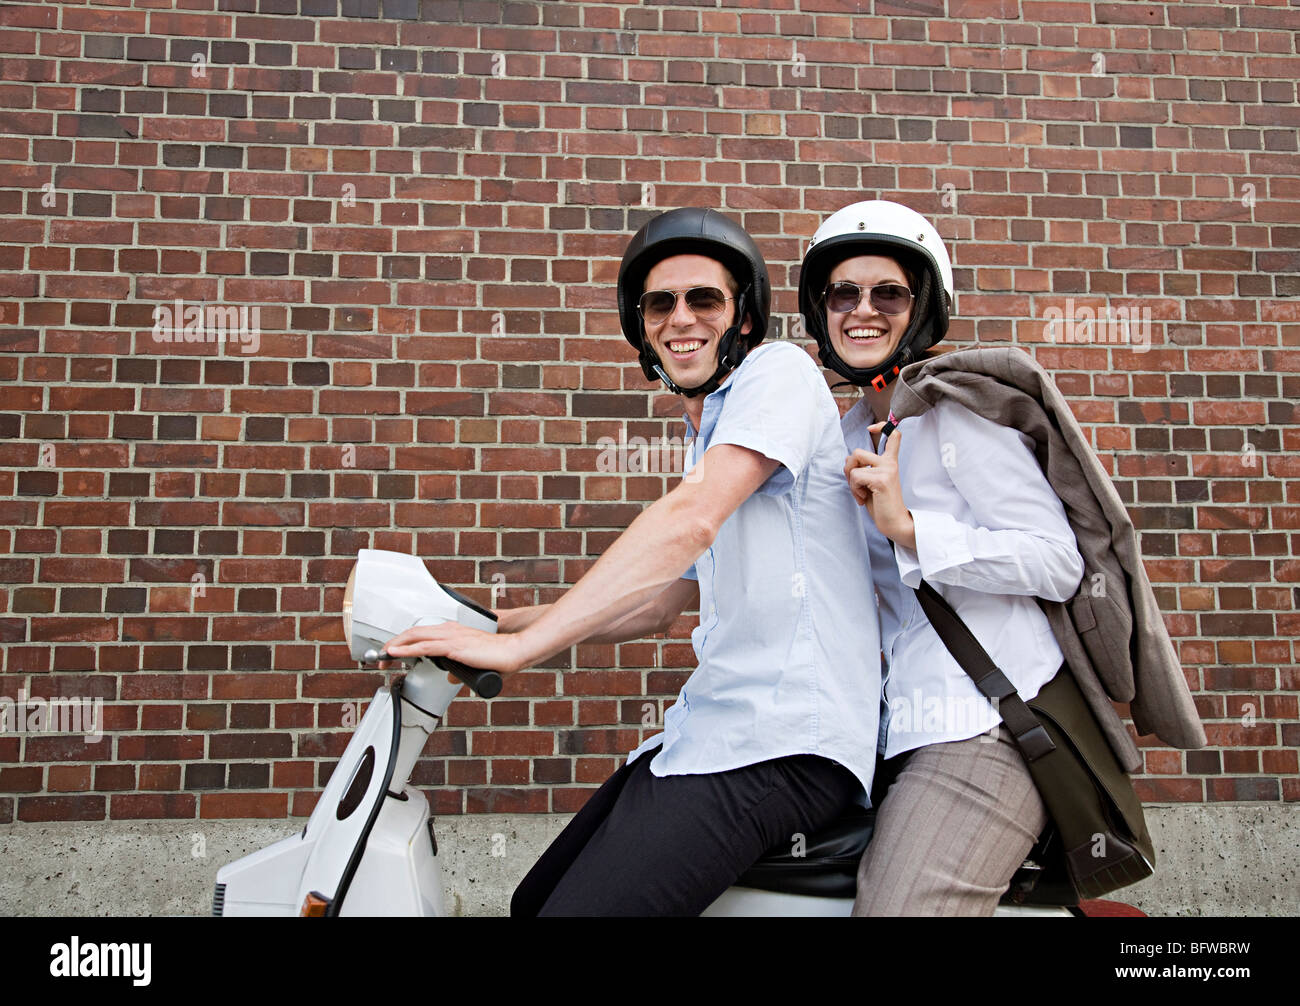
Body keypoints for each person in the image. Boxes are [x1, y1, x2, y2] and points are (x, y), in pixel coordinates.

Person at [382, 207, 883, 916]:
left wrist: (522, 648)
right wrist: (487, 623)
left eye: (704, 299)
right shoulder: (714, 435)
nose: (682, 318)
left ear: (743, 319)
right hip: (715, 730)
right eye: (661, 303)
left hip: (785, 742)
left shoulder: (781, 376)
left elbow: (693, 519)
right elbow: (651, 602)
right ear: (641, 323)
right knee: (533, 902)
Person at [797, 200, 1086, 915]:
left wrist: (911, 529)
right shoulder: (845, 432)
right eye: (842, 293)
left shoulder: (961, 412)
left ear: (924, 305)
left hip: (986, 730)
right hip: (894, 734)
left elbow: (1057, 561)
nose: (862, 310)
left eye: (887, 292)